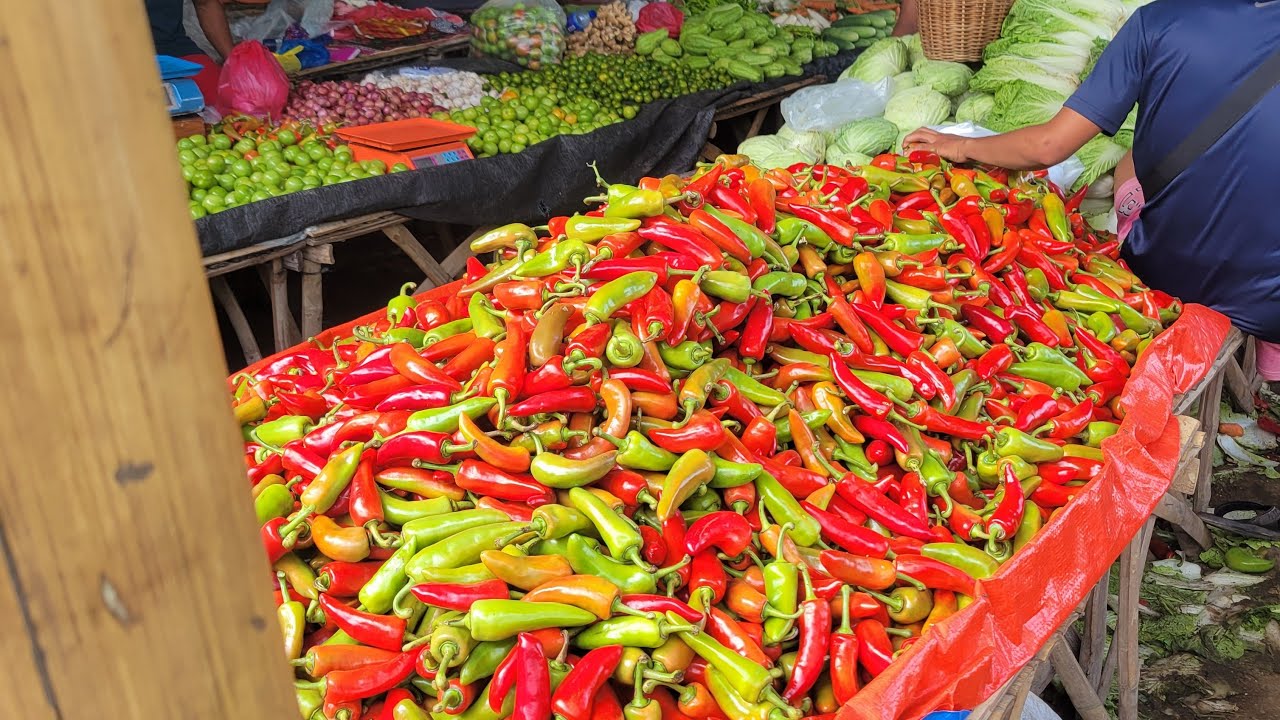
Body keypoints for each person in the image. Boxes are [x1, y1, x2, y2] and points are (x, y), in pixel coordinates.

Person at [903, 0, 1280, 378]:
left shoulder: (1158, 20)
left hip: (1164, 275)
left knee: (1135, 153)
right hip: (1269, 305)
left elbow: (1048, 147)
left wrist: (959, 145)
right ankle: (1272, 370)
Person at [146, 0, 235, 102]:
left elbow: (205, 3)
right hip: (127, 54)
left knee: (226, 99)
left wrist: (232, 61)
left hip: (173, 45)